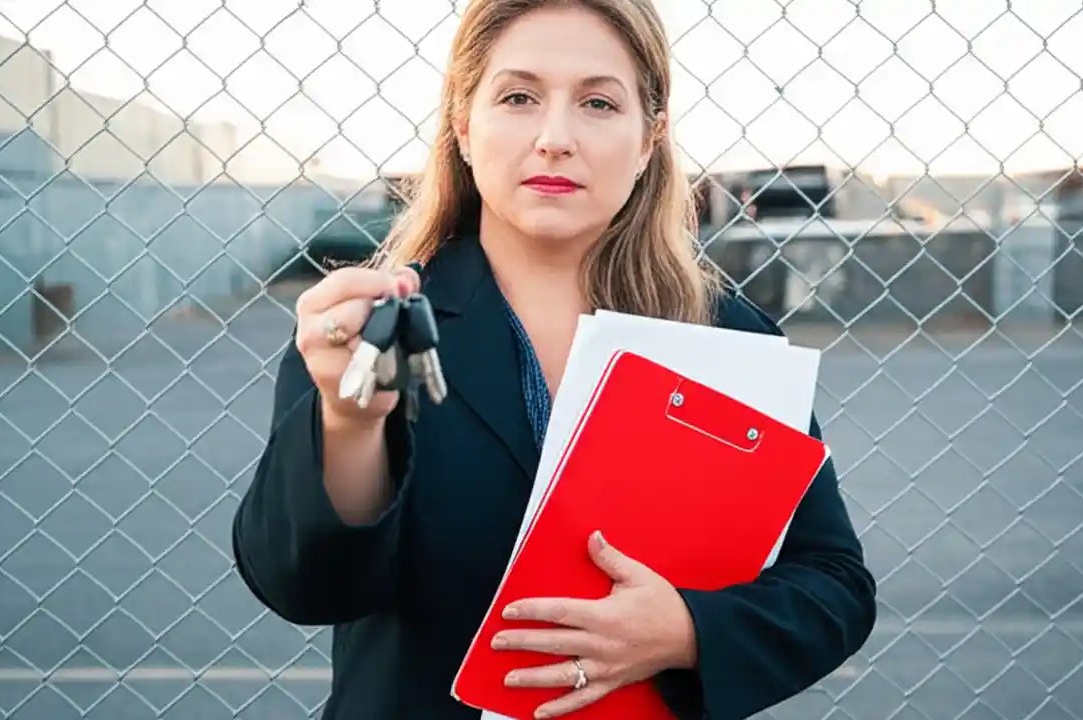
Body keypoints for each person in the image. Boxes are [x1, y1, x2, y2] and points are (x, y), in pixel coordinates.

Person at [231, 1, 877, 718]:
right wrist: (350, 422)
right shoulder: (372, 330)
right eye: (518, 97)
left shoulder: (728, 341)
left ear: (648, 139)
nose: (555, 138)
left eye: (599, 103)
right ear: (463, 126)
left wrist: (687, 631)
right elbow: (307, 589)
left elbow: (832, 586)